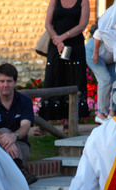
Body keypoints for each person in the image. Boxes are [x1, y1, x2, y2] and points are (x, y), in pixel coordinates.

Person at [0, 63, 38, 185]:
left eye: (9, 81)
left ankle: (18, 170)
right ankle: (21, 170)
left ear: (15, 82)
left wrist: (13, 137)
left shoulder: (25, 102)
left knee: (6, 134)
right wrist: (5, 139)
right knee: (3, 132)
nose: (5, 85)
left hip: (22, 146)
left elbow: (26, 127)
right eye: (2, 81)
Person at [38, 0, 90, 132]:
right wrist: (56, 39)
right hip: (56, 46)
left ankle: (68, 122)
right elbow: (48, 24)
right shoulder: (55, 1)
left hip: (75, 45)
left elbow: (82, 25)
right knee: (52, 79)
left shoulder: (83, 1)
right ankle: (44, 122)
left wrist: (64, 37)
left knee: (73, 79)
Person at [86, 18, 116, 124]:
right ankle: (100, 114)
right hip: (94, 51)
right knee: (105, 80)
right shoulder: (113, 26)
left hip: (110, 57)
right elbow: (97, 34)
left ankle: (112, 113)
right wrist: (95, 54)